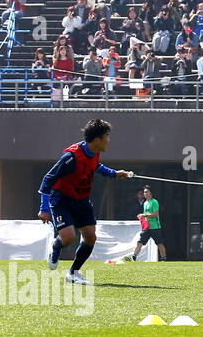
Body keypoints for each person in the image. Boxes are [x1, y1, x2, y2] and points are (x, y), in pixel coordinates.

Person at [39, 119, 135, 285]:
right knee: (68, 238)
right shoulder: (71, 157)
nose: (108, 140)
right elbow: (47, 180)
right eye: (107, 137)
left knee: (90, 238)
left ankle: (73, 273)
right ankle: (56, 246)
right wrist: (44, 207)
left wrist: (115, 173)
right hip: (61, 199)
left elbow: (96, 166)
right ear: (97, 139)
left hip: (82, 200)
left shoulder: (95, 152)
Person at [126, 185, 167, 261]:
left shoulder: (154, 202)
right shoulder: (145, 203)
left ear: (150, 193)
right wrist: (142, 218)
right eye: (144, 192)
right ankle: (134, 257)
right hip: (147, 227)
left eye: (146, 192)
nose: (144, 194)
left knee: (159, 243)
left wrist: (144, 215)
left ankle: (163, 258)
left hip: (155, 227)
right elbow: (145, 215)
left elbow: (155, 214)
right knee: (140, 242)